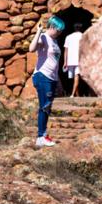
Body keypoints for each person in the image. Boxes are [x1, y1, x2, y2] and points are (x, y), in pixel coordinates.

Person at [29, 16, 64, 147]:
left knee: (47, 107)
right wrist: (38, 32)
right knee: (44, 106)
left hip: (52, 78)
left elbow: (55, 62)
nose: (60, 32)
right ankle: (41, 136)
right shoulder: (44, 37)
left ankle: (43, 135)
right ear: (52, 27)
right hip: (43, 76)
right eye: (59, 30)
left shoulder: (54, 40)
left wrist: (58, 81)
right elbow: (31, 49)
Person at [62, 23, 83, 98]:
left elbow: (65, 50)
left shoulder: (68, 37)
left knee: (74, 77)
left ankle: (74, 94)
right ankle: (74, 94)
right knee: (76, 76)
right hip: (79, 60)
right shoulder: (83, 36)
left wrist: (65, 62)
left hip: (70, 60)